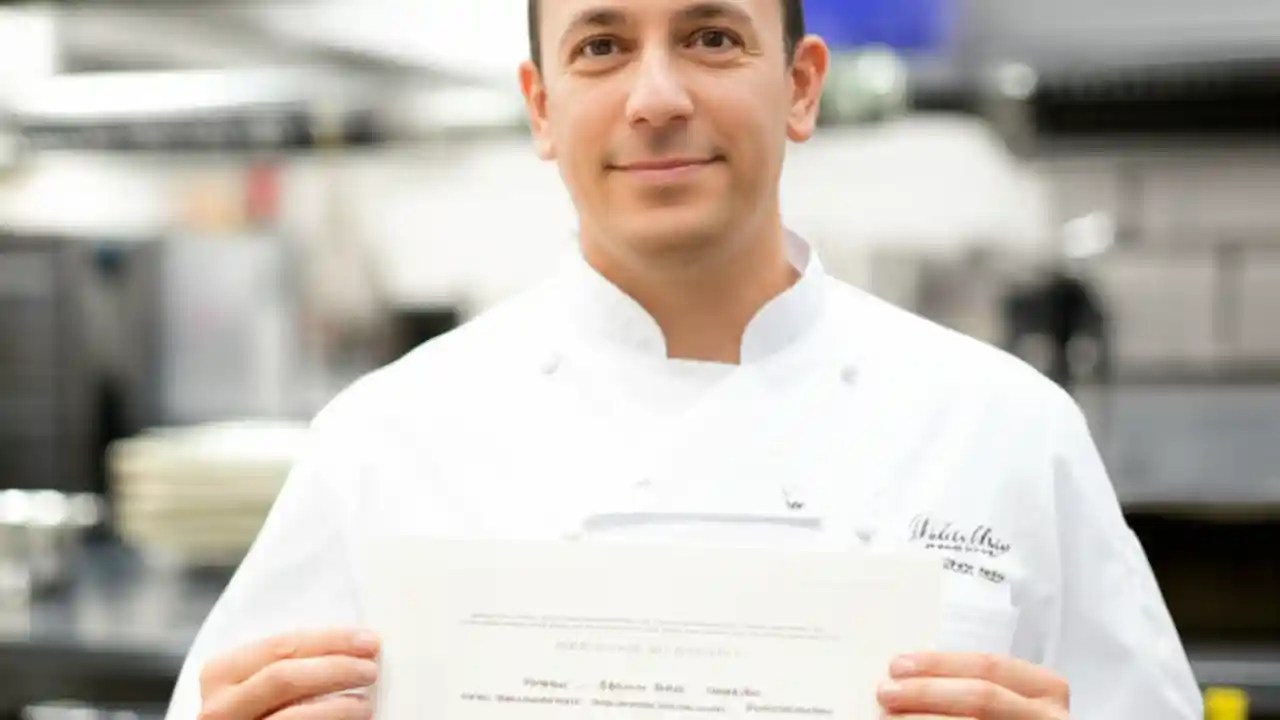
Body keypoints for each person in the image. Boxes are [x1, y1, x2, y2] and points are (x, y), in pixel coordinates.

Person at [172, 1, 1202, 718]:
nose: (656, 96)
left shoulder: (1007, 429)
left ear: (800, 88)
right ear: (541, 108)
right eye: (601, 47)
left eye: (711, 37)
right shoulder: (383, 439)